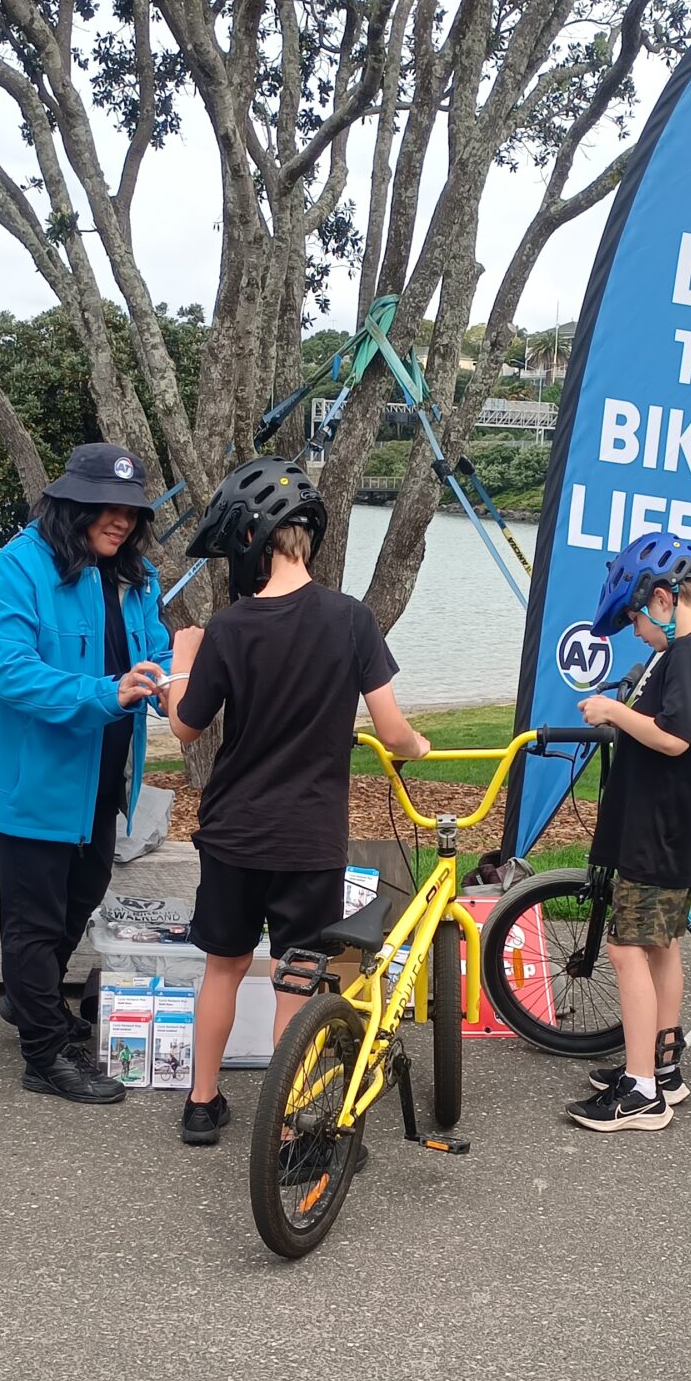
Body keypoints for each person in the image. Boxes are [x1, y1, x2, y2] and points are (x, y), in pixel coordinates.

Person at [165, 458, 429, 1149]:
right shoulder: (353, 620)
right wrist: (418, 749)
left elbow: (185, 727)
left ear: (251, 540)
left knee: (222, 966)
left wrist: (183, 657)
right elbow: (393, 730)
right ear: (305, 537)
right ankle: (284, 1129)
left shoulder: (229, 627)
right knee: (296, 974)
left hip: (232, 833)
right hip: (308, 839)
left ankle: (202, 1102)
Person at [0, 443, 172, 1103]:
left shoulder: (135, 577)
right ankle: (43, 1053)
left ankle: (33, 1004)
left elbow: (155, 644)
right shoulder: (13, 572)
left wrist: (160, 677)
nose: (120, 520)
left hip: (105, 783)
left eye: (131, 510)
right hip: (35, 785)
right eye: (105, 507)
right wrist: (105, 695)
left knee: (76, 907)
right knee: (34, 922)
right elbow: (8, 670)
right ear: (67, 501)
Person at [563, 532, 691, 1135]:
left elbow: (674, 736)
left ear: (662, 598)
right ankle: (662, 1066)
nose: (635, 631)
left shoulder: (685, 655)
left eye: (635, 618)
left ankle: (640, 1092)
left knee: (627, 949)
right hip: (673, 831)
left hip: (657, 834)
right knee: (660, 947)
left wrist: (612, 711)